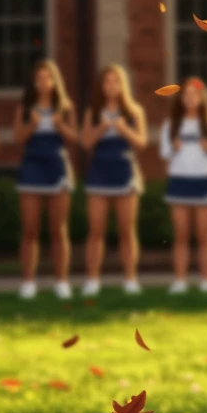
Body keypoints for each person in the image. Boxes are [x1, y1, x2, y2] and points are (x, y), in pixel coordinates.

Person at [13, 59, 78, 300]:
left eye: (47, 77)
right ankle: (28, 282)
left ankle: (61, 281)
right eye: (39, 78)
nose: (43, 82)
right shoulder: (25, 107)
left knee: (58, 228)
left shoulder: (66, 107)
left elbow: (75, 139)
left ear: (55, 81)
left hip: (57, 167)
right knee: (30, 229)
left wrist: (61, 126)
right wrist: (31, 125)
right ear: (34, 81)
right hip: (32, 166)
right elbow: (17, 138)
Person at [81, 64, 147, 294]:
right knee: (96, 230)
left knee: (127, 229)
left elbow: (141, 142)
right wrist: (101, 129)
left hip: (125, 172)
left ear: (123, 85)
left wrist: (122, 128)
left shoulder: (133, 111)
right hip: (99, 171)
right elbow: (86, 143)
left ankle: (130, 279)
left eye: (116, 81)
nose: (111, 86)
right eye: (107, 81)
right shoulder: (93, 112)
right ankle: (92, 280)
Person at [160, 76, 207, 294]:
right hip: (179, 181)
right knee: (181, 234)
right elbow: (163, 152)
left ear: (201, 97)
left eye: (194, 94)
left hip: (204, 181)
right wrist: (174, 147)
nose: (190, 98)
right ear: (181, 98)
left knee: (204, 234)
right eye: (186, 95)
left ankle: (206, 280)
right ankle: (180, 280)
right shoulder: (172, 123)